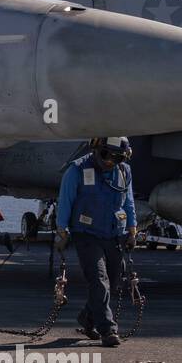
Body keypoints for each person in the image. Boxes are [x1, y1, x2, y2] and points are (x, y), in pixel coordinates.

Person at [55, 137, 137, 347]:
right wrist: (62, 230)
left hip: (114, 233)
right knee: (99, 281)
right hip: (86, 233)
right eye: (105, 155)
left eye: (116, 157)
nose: (110, 161)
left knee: (113, 280)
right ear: (96, 149)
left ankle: (87, 318)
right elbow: (66, 200)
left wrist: (132, 228)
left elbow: (128, 201)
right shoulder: (77, 170)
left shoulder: (124, 172)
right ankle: (108, 329)